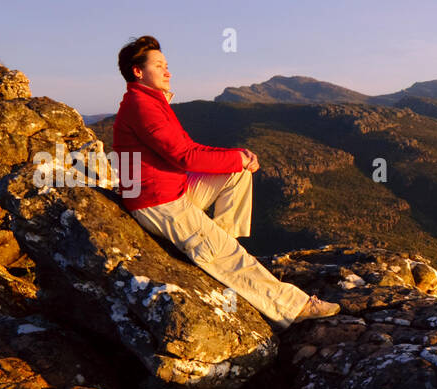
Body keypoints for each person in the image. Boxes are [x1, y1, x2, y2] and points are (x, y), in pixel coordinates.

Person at [110, 34, 339, 328]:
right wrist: (236, 157)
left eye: (167, 65)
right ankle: (293, 307)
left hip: (172, 188)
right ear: (137, 71)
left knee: (237, 173)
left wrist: (238, 157)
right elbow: (184, 156)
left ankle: (217, 248)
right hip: (157, 201)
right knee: (228, 253)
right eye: (159, 65)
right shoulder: (142, 106)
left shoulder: (151, 102)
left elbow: (190, 148)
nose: (168, 71)